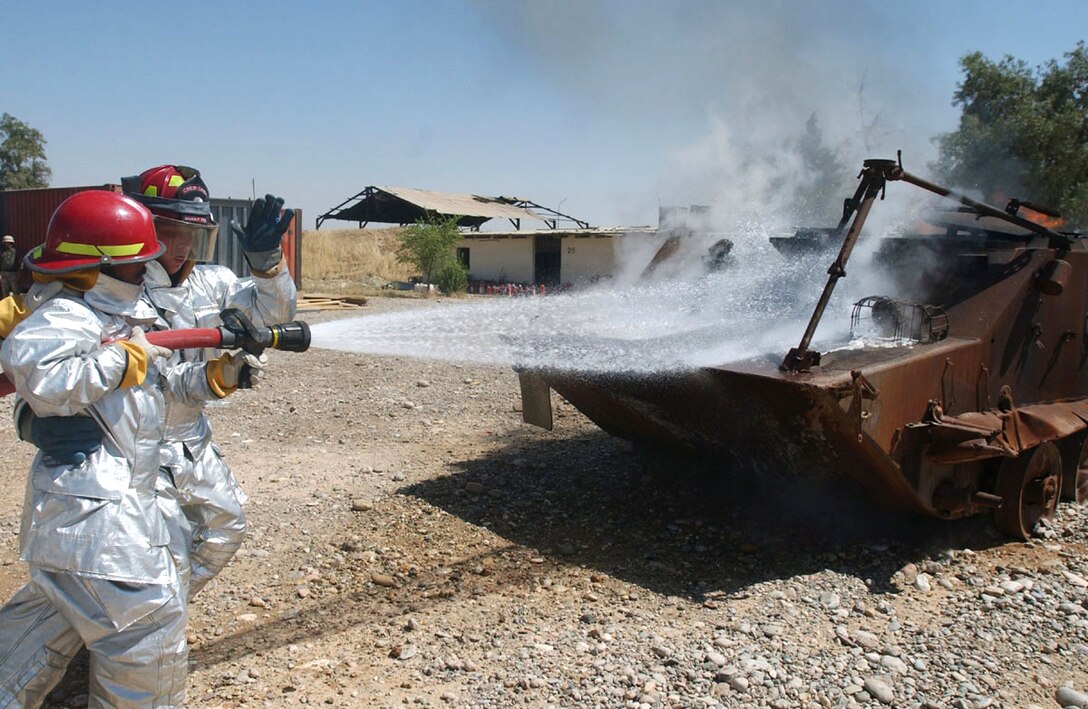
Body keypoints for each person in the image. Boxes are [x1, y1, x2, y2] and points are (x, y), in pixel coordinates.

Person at [0, 190, 260, 707]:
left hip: (107, 512)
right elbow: (39, 374)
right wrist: (121, 362)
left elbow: (158, 390)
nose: (149, 272)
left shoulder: (122, 315)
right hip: (93, 512)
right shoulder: (66, 315)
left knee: (56, 617)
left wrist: (214, 377)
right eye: (137, 265)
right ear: (96, 266)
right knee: (149, 627)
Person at [122, 164, 297, 594]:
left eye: (192, 236)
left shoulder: (211, 282)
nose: (182, 247)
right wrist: (217, 376)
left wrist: (267, 265)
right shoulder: (123, 291)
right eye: (170, 233)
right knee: (162, 554)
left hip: (192, 441)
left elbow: (274, 316)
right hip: (135, 448)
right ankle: (140, 635)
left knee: (225, 530)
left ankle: (147, 624)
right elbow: (152, 382)